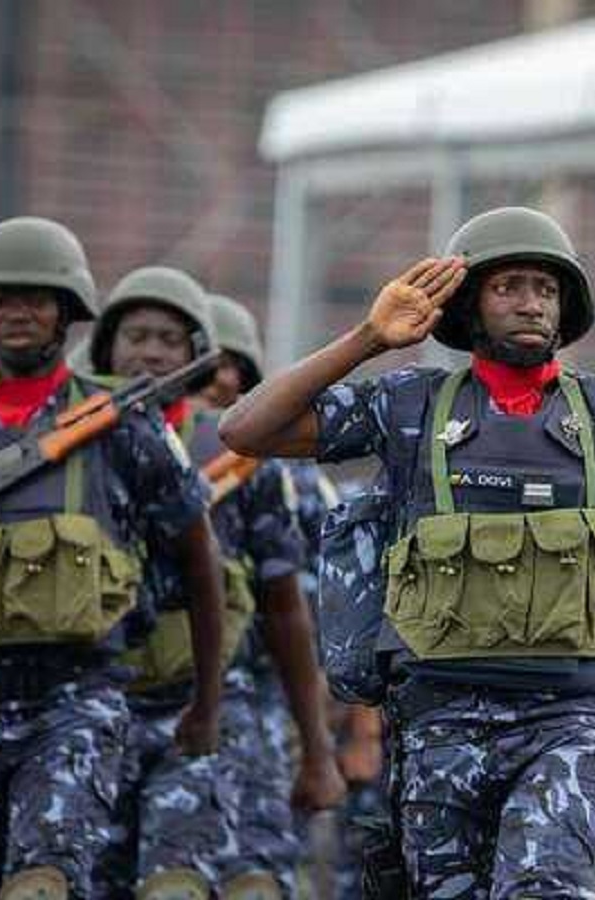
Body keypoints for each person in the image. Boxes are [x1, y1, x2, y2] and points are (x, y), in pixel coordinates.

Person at [219, 205, 595, 898]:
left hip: (571, 716)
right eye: (508, 285)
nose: (530, 303)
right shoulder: (411, 409)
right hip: (439, 717)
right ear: (471, 305)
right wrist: (368, 337)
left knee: (543, 882)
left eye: (545, 289)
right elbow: (246, 429)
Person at [0, 218, 219, 900]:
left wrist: (206, 703)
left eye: (36, 297)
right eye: (2, 298)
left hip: (74, 698)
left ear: (67, 311)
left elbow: (198, 560)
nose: (18, 312)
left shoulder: (123, 423)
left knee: (45, 880)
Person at [83, 266, 239, 900]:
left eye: (169, 339)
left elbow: (280, 602)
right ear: (107, 347)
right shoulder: (68, 442)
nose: (150, 352)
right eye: (136, 335)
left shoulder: (229, 444)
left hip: (180, 697)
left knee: (176, 883)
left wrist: (210, 703)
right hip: (87, 700)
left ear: (196, 354)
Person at [200, 291, 345, 898]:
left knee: (256, 873)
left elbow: (335, 606)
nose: (222, 376)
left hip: (266, 704)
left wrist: (338, 736)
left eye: (236, 364)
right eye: (207, 361)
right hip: (147, 700)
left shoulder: (296, 479)